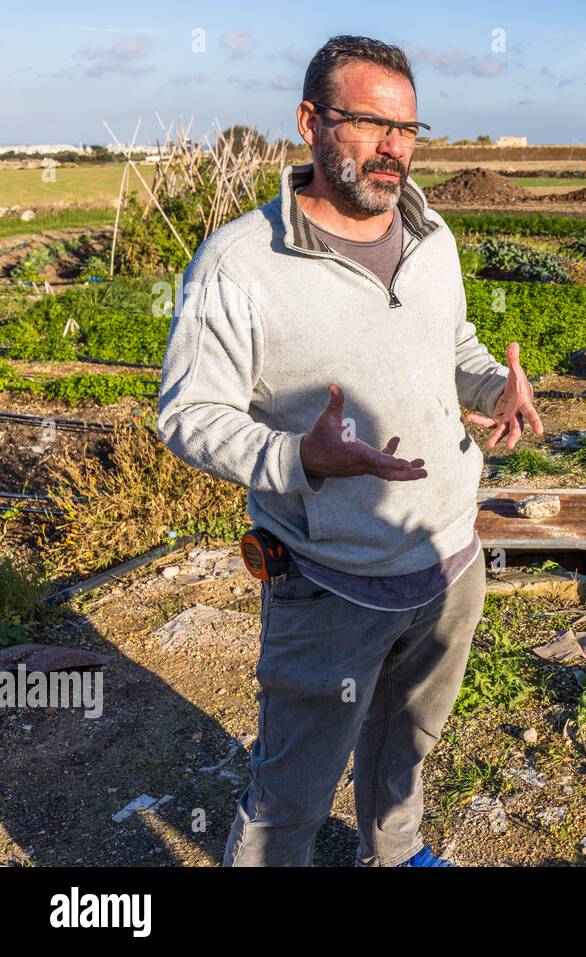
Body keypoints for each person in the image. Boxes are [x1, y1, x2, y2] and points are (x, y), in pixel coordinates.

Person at [156, 35, 543, 867]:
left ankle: (394, 855)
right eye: (369, 122)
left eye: (407, 128)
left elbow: (456, 347)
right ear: (310, 122)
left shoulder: (431, 233)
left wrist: (492, 390)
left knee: (407, 743)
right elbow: (189, 413)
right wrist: (302, 459)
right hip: (328, 580)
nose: (393, 146)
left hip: (449, 556)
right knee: (293, 785)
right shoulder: (239, 263)